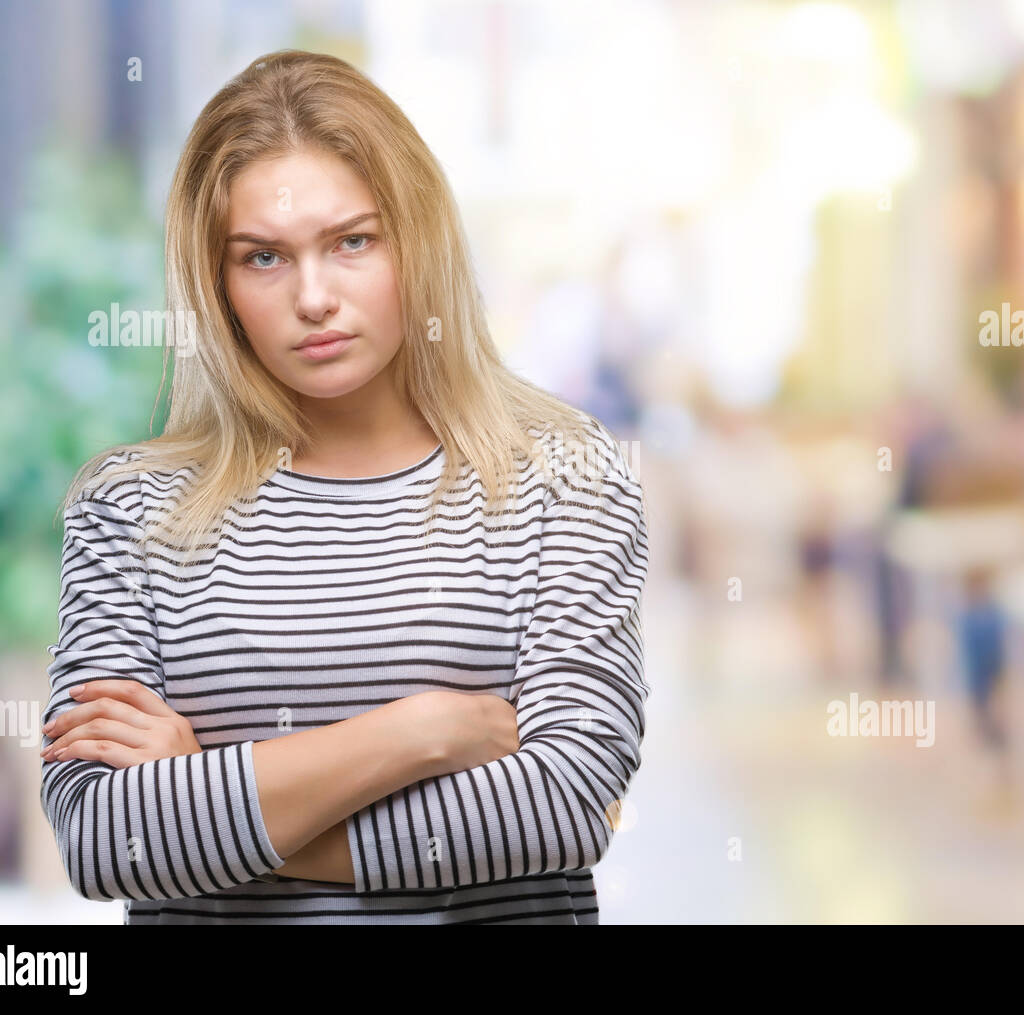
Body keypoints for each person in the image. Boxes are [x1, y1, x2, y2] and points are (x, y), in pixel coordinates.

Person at [39, 50, 649, 925]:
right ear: (218, 284)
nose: (314, 296)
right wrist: (421, 731)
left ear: (417, 240)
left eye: (352, 241)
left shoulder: (565, 475)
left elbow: (565, 803)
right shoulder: (129, 509)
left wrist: (206, 794)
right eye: (263, 258)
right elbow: (105, 842)